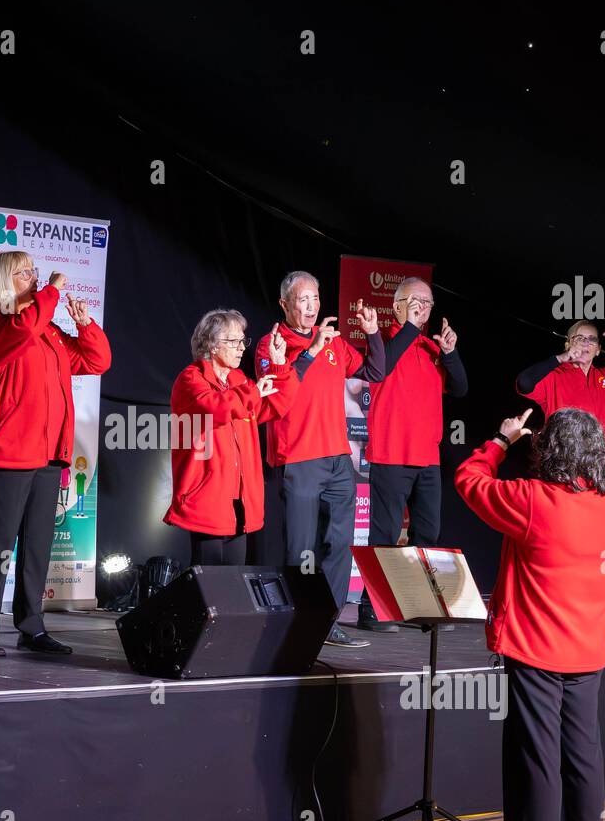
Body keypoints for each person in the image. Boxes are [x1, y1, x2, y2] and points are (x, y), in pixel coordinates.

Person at [455, 407, 605, 821]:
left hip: (537, 650)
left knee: (538, 760)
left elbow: (469, 479)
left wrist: (502, 440)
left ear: (550, 451)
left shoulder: (534, 499)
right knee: (583, 757)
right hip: (588, 649)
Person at [0, 253, 111, 657]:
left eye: (34, 271)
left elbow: (97, 360)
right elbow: (24, 327)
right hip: (10, 455)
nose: (34, 277)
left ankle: (31, 626)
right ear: (3, 282)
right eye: (24, 272)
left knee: (37, 548)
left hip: (49, 457)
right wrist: (50, 290)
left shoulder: (47, 333)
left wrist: (84, 324)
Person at [254, 270, 384, 645]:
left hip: (339, 459)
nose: (311, 307)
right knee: (301, 546)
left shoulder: (333, 343)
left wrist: (373, 332)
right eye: (302, 299)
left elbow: (375, 371)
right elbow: (279, 388)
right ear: (284, 304)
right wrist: (311, 351)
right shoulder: (271, 344)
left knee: (340, 543)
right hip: (299, 458)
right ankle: (296, 621)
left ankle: (327, 620)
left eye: (315, 298)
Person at [358, 277, 468, 632]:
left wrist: (450, 353)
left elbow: (462, 389)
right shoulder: (385, 339)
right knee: (385, 534)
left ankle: (420, 607)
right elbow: (383, 367)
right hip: (391, 453)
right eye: (416, 301)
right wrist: (408, 326)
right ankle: (371, 609)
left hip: (428, 457)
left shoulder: (430, 347)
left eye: (429, 303)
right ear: (397, 306)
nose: (423, 307)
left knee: (428, 533)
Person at [166, 311, 296, 564]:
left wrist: (279, 363)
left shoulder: (239, 381)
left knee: (234, 585)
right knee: (209, 587)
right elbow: (216, 409)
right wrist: (252, 394)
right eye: (233, 342)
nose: (241, 348)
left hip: (240, 501)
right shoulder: (191, 379)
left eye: (242, 341)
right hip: (207, 498)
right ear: (213, 346)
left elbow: (276, 404)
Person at [515, 316, 605, 477]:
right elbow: (524, 383)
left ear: (598, 349)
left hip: (601, 472)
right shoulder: (555, 375)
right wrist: (561, 358)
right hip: (564, 471)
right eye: (579, 338)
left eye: (591, 339)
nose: (585, 342)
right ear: (568, 344)